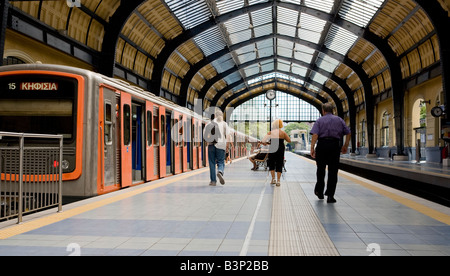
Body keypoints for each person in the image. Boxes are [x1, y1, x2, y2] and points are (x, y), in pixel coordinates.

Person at [310, 103, 351, 203]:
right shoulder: (339, 120)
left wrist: (312, 148)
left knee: (321, 169)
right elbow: (348, 132)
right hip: (334, 146)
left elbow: (315, 134)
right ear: (332, 110)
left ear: (323, 110)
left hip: (322, 145)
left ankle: (319, 192)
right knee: (333, 171)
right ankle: (330, 196)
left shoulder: (320, 120)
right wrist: (345, 145)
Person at [203, 110, 230, 186]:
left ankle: (213, 181)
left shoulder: (209, 123)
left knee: (212, 163)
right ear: (222, 116)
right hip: (221, 145)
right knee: (221, 161)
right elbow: (228, 136)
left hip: (211, 145)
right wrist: (227, 146)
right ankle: (220, 171)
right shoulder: (225, 124)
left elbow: (204, 135)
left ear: (214, 116)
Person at [262, 119, 291, 186]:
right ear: (281, 125)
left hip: (273, 147)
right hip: (280, 148)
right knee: (279, 162)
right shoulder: (283, 133)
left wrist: (268, 142)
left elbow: (263, 140)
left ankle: (273, 179)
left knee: (271, 162)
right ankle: (278, 181)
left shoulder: (271, 132)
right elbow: (289, 140)